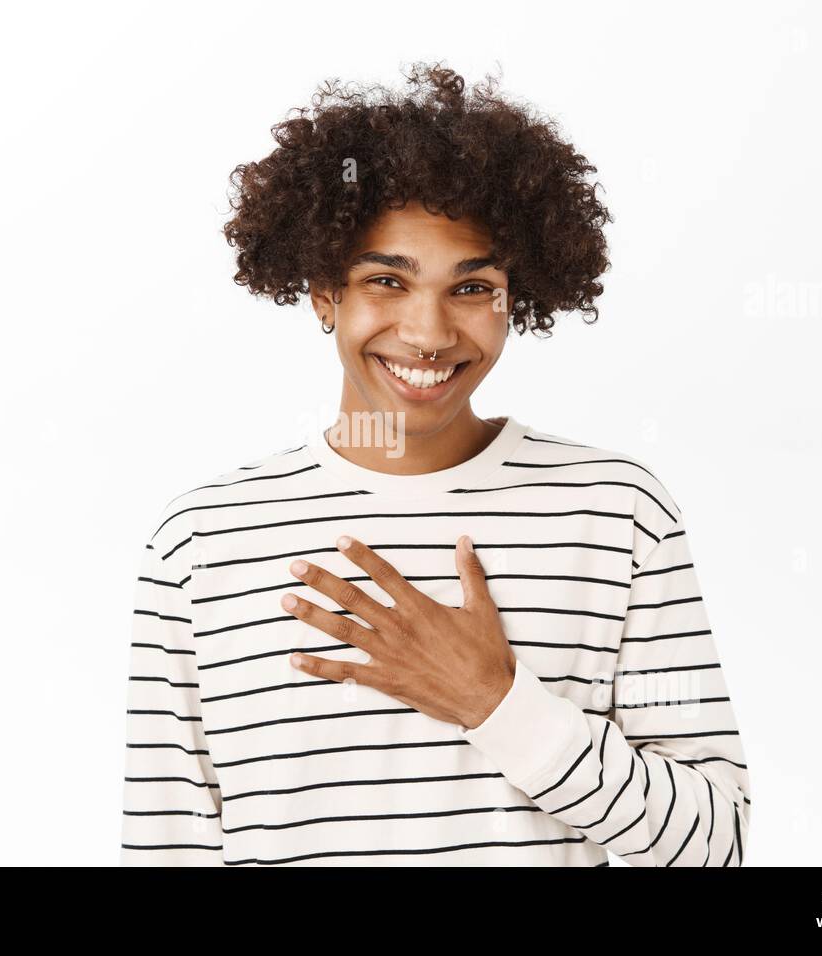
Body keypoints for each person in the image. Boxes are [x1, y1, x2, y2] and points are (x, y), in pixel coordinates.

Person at [120, 62, 750, 866]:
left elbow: (716, 846)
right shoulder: (202, 542)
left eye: (472, 286)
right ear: (323, 293)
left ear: (516, 297)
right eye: (387, 280)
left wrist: (496, 704)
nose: (427, 333)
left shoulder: (615, 512)